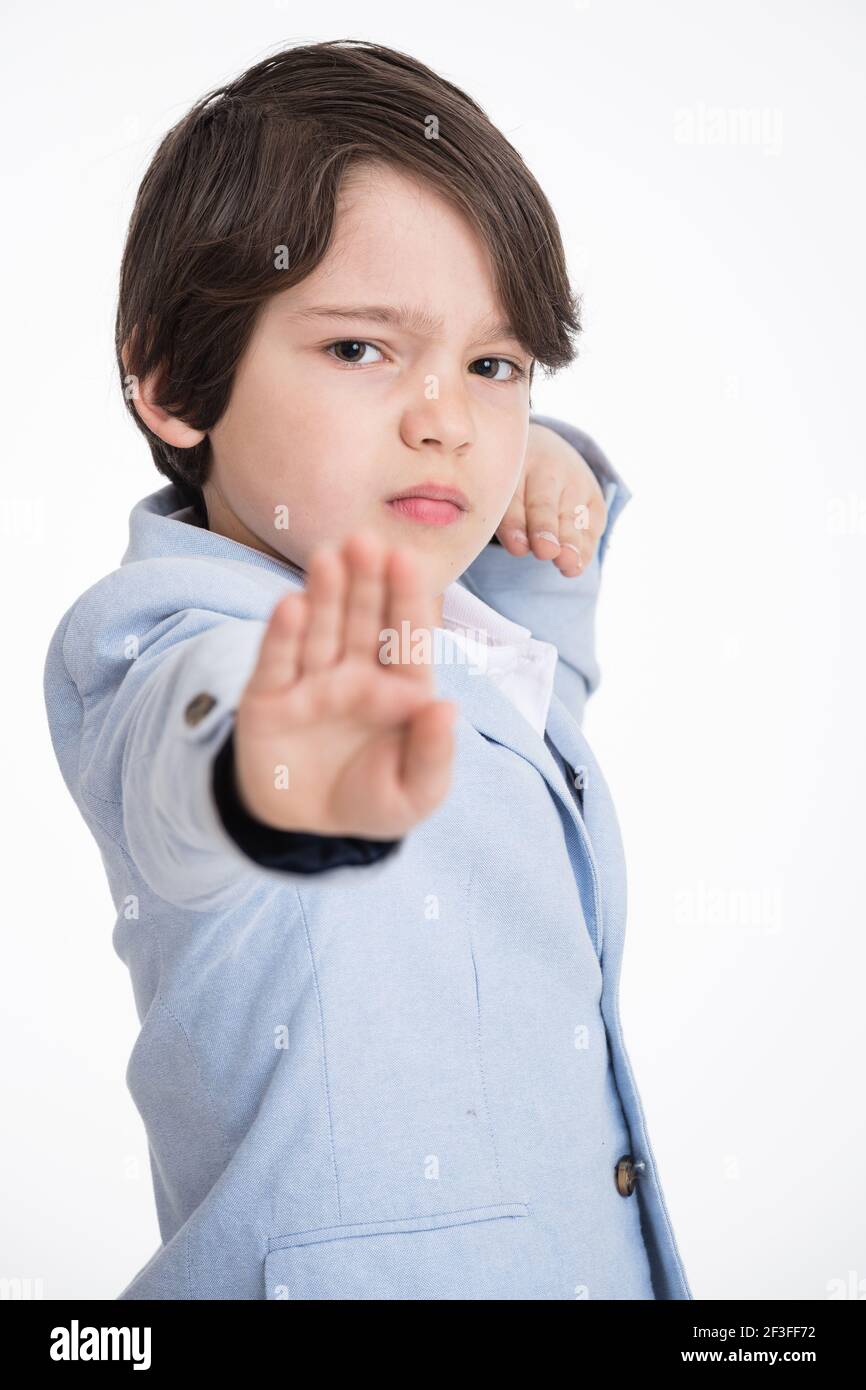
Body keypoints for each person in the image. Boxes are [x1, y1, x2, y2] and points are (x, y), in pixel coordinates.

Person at [42, 39, 692, 1300]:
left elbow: (522, 705)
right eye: (359, 350)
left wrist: (531, 463)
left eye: (492, 366)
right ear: (177, 378)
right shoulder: (167, 643)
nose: (443, 416)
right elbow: (198, 766)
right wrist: (278, 770)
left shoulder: (445, 624)